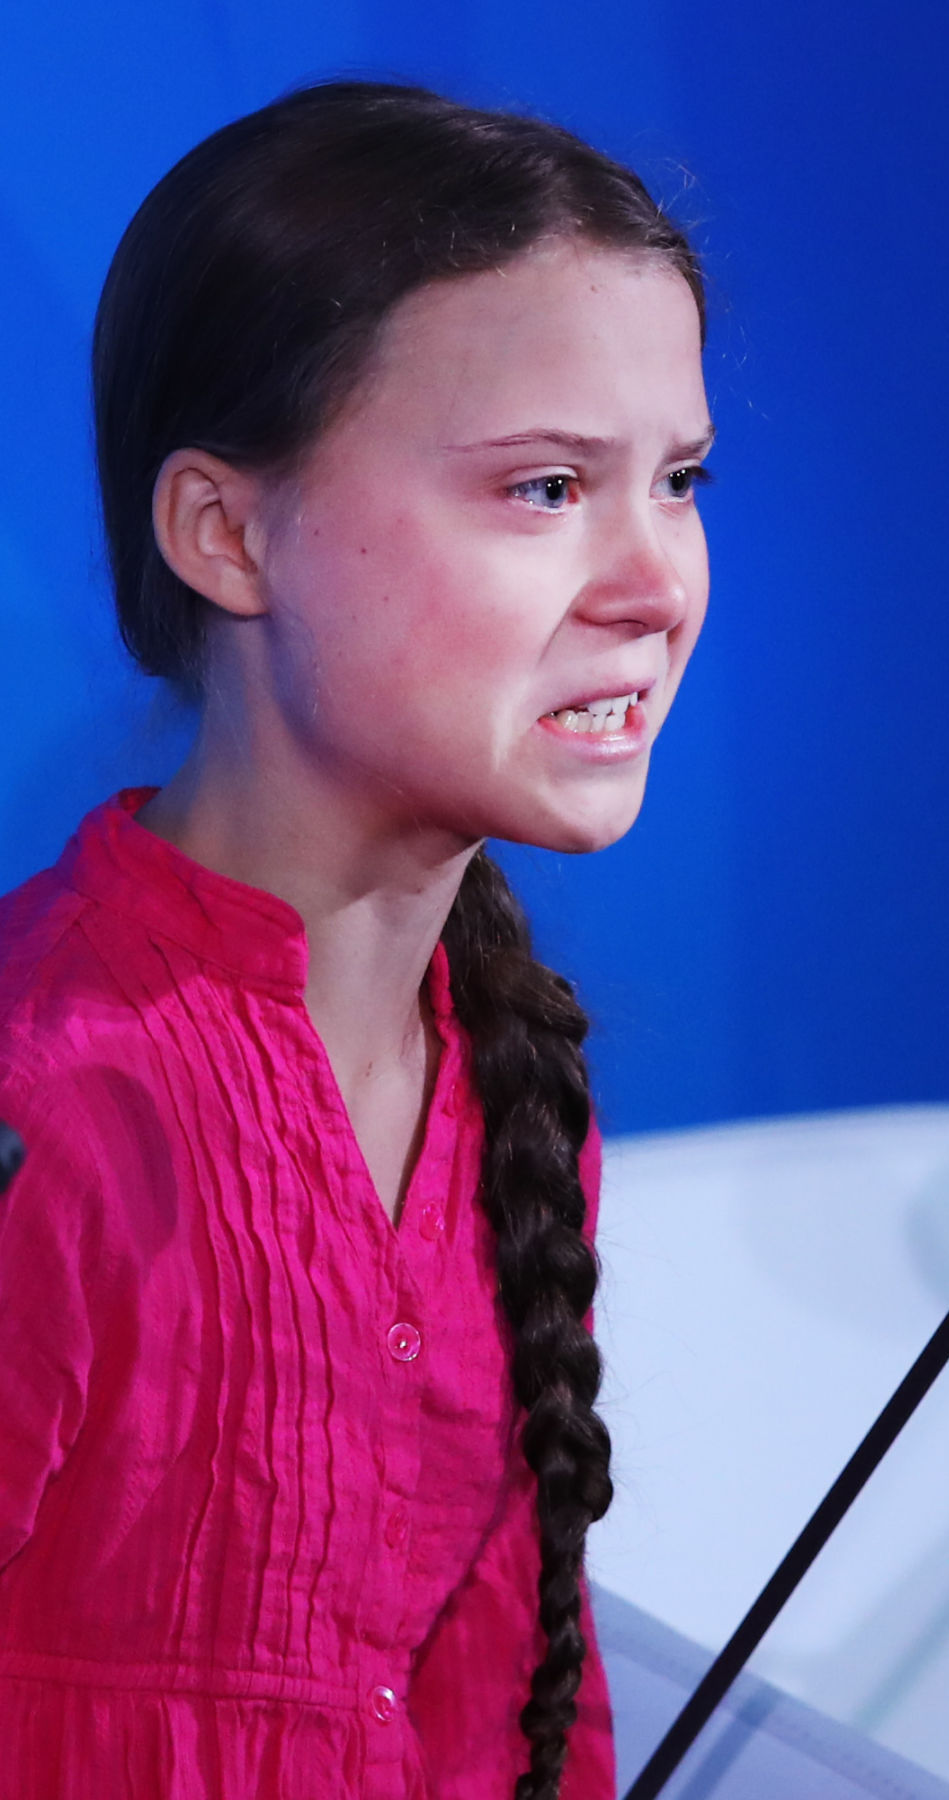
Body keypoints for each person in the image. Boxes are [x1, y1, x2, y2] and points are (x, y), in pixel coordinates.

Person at [0, 81, 713, 1799]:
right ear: (228, 534)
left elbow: (501, 1729)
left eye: (678, 480)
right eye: (545, 488)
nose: (653, 579)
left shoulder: (514, 1096)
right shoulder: (51, 1097)